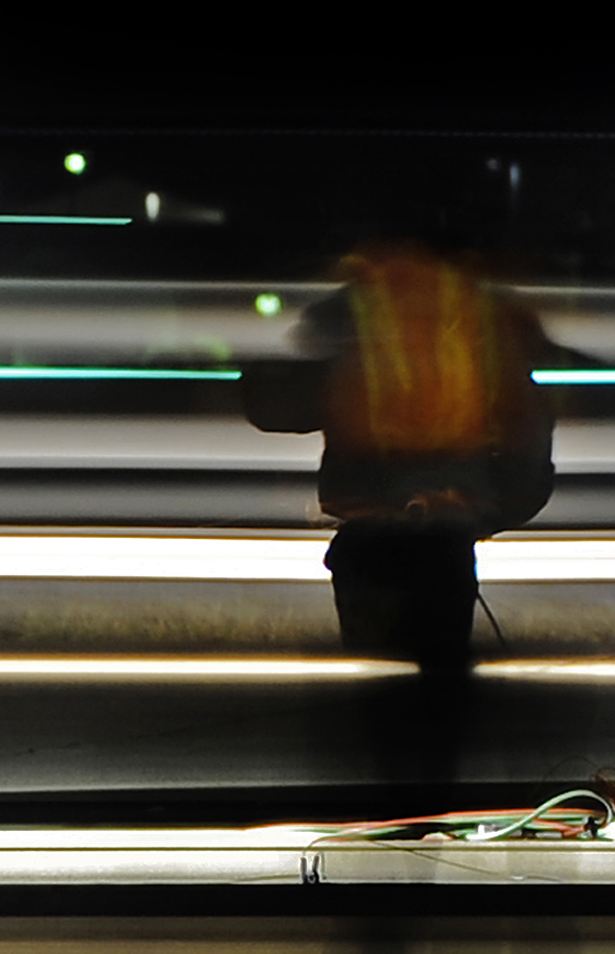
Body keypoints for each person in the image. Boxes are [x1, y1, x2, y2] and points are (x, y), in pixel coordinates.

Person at [239, 245, 562, 677]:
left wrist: (246, 372)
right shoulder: (485, 317)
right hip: (442, 538)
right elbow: (528, 430)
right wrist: (488, 509)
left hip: (373, 535)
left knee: (378, 688)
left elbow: (280, 408)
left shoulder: (354, 312)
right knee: (438, 688)